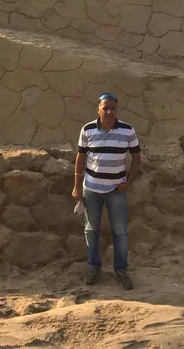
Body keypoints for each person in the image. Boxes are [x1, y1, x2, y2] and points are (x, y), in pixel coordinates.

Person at [72, 92, 141, 290]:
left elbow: (136, 158)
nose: (109, 111)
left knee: (119, 231)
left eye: (113, 108)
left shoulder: (128, 131)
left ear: (116, 110)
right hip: (91, 189)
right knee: (91, 230)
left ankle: (121, 270)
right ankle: (93, 267)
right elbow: (80, 158)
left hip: (116, 191)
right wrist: (77, 186)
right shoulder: (87, 130)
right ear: (99, 109)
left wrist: (129, 182)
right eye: (105, 108)